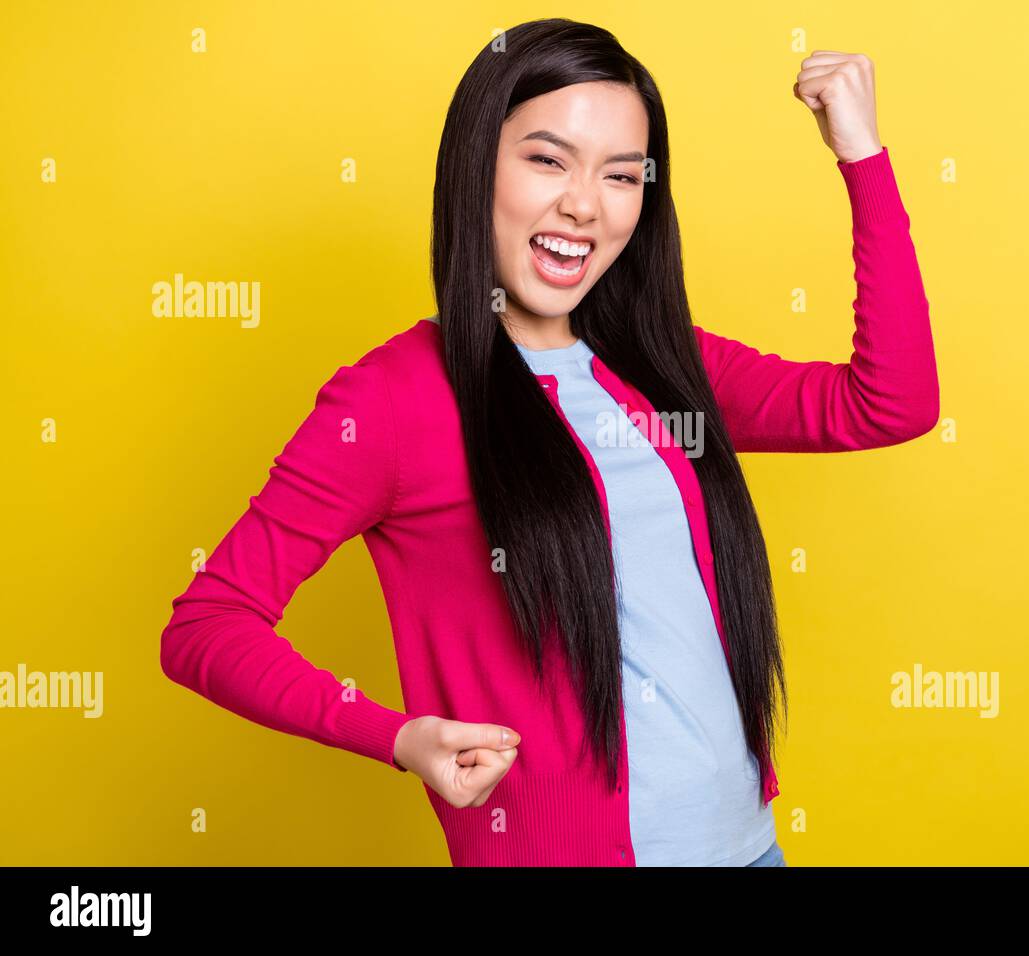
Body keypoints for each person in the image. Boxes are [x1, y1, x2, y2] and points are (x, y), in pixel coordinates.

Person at [159, 18, 940, 867]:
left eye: (620, 175)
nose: (584, 203)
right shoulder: (391, 400)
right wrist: (397, 736)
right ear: (475, 166)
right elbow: (209, 623)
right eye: (546, 159)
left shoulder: (664, 365)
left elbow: (889, 403)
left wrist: (860, 156)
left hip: (751, 850)